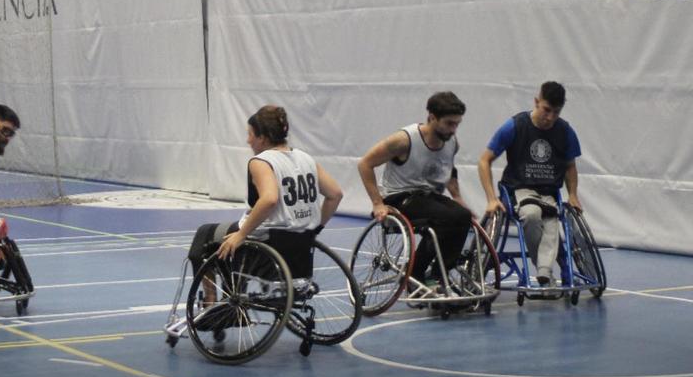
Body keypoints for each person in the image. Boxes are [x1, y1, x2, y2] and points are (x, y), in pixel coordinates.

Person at [190, 105, 344, 279]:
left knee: (204, 236)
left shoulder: (262, 161)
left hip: (270, 239)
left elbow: (269, 199)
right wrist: (315, 229)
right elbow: (335, 194)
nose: (248, 140)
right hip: (300, 241)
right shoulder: (305, 158)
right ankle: (235, 291)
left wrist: (241, 235)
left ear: (262, 138)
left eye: (250, 134)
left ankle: (210, 301)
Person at [357, 91, 472, 285]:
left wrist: (457, 197)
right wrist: (377, 203)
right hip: (400, 198)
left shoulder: (452, 143)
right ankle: (416, 271)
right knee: (448, 218)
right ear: (432, 117)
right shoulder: (404, 140)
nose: (453, 130)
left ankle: (438, 272)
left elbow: (449, 169)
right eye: (449, 123)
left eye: (457, 124)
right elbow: (365, 164)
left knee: (464, 215)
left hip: (429, 197)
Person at [477, 81, 582, 288]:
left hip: (549, 191)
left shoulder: (565, 131)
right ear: (536, 102)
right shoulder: (515, 126)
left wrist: (573, 195)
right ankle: (544, 269)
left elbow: (570, 166)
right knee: (532, 215)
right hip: (519, 189)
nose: (550, 117)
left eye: (556, 112)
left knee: (551, 220)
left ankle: (544, 273)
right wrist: (491, 198)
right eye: (547, 110)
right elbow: (484, 160)